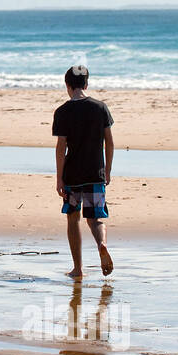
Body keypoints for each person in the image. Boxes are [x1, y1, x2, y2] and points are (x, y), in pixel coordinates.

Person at [53, 65, 115, 279]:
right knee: (96, 219)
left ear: (68, 86)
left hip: (72, 175)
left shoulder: (62, 111)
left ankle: (78, 269)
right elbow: (109, 142)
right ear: (86, 84)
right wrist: (107, 171)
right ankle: (102, 244)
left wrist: (59, 177)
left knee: (73, 218)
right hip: (94, 173)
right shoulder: (101, 108)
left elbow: (61, 147)